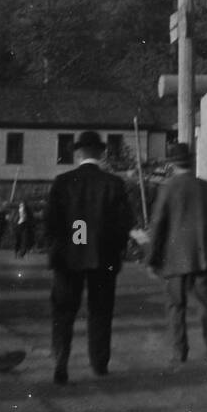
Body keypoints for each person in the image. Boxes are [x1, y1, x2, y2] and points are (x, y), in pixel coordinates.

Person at [44, 130, 133, 385]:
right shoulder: (113, 184)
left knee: (63, 311)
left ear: (79, 152)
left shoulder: (62, 182)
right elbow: (123, 223)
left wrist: (60, 246)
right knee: (100, 311)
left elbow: (50, 223)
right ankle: (99, 363)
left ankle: (61, 359)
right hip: (102, 258)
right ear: (101, 152)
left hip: (67, 258)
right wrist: (116, 250)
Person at [146, 142, 207, 366]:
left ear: (171, 165)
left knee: (176, 306)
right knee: (206, 305)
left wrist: (151, 259)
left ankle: (179, 352)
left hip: (174, 259)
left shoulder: (167, 188)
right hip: (203, 258)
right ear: (191, 162)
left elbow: (157, 226)